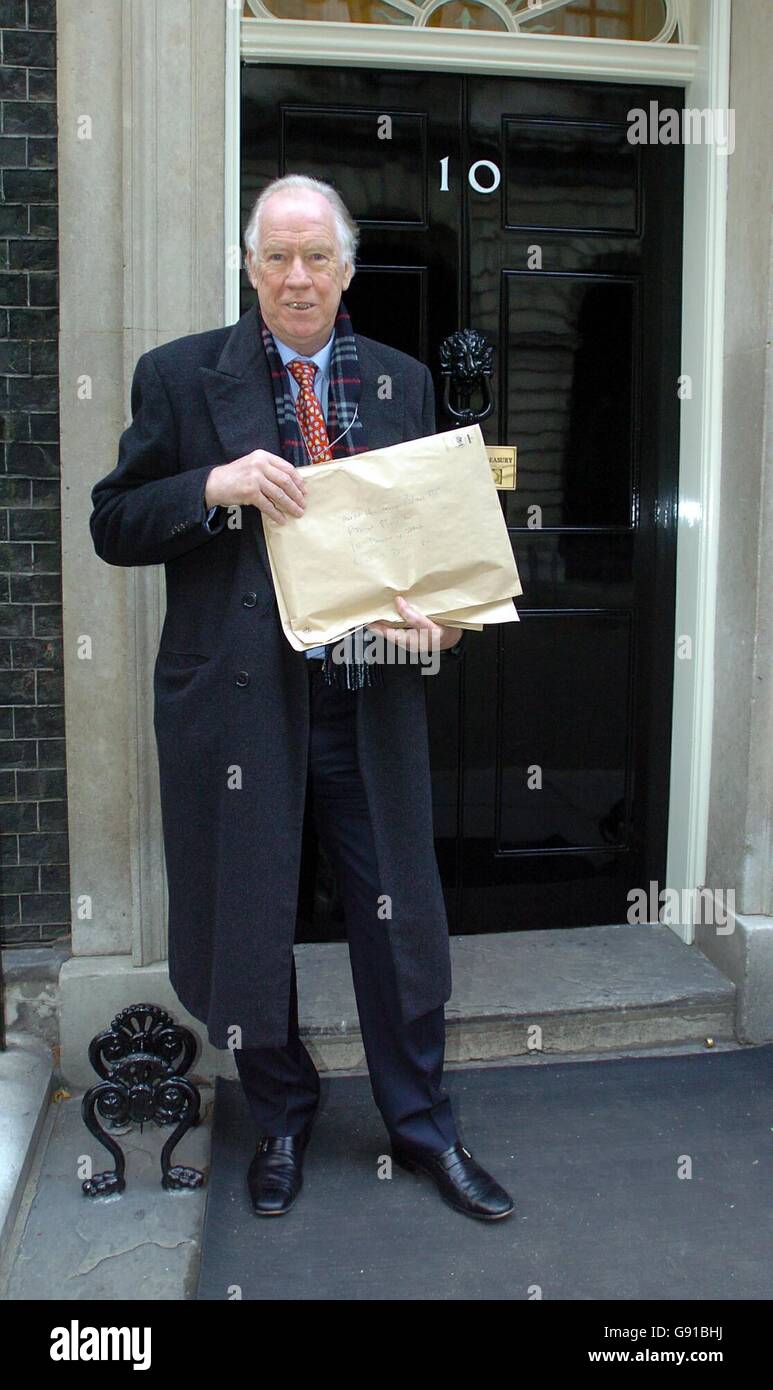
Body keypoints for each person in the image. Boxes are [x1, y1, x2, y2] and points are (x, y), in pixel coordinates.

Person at [90, 173, 513, 1222]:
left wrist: (443, 621)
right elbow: (113, 521)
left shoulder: (402, 381)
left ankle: (422, 1128)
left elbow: (433, 552)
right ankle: (278, 1115)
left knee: (396, 918)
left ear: (347, 268)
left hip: (366, 702)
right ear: (247, 266)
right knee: (248, 915)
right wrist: (211, 487)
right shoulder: (181, 377)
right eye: (275, 257)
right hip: (241, 706)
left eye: (315, 257)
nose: (295, 278)